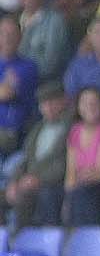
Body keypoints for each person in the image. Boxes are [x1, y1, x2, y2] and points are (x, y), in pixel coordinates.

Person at [5, 82, 70, 228]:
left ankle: (28, 241)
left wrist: (39, 179)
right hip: (29, 182)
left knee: (41, 195)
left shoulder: (71, 127)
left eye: (53, 101)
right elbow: (25, 160)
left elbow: (65, 162)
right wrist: (14, 181)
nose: (49, 107)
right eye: (44, 103)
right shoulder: (37, 128)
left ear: (63, 101)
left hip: (54, 183)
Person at [65, 86, 100, 226]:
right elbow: (71, 171)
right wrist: (68, 195)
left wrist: (79, 183)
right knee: (67, 194)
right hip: (81, 186)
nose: (90, 107)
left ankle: (91, 235)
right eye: (84, 103)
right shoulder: (75, 131)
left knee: (84, 192)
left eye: (94, 102)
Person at [0, 15, 39, 157]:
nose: (7, 38)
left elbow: (6, 93)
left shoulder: (28, 67)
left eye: (12, 34)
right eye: (3, 33)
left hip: (12, 134)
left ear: (20, 37)